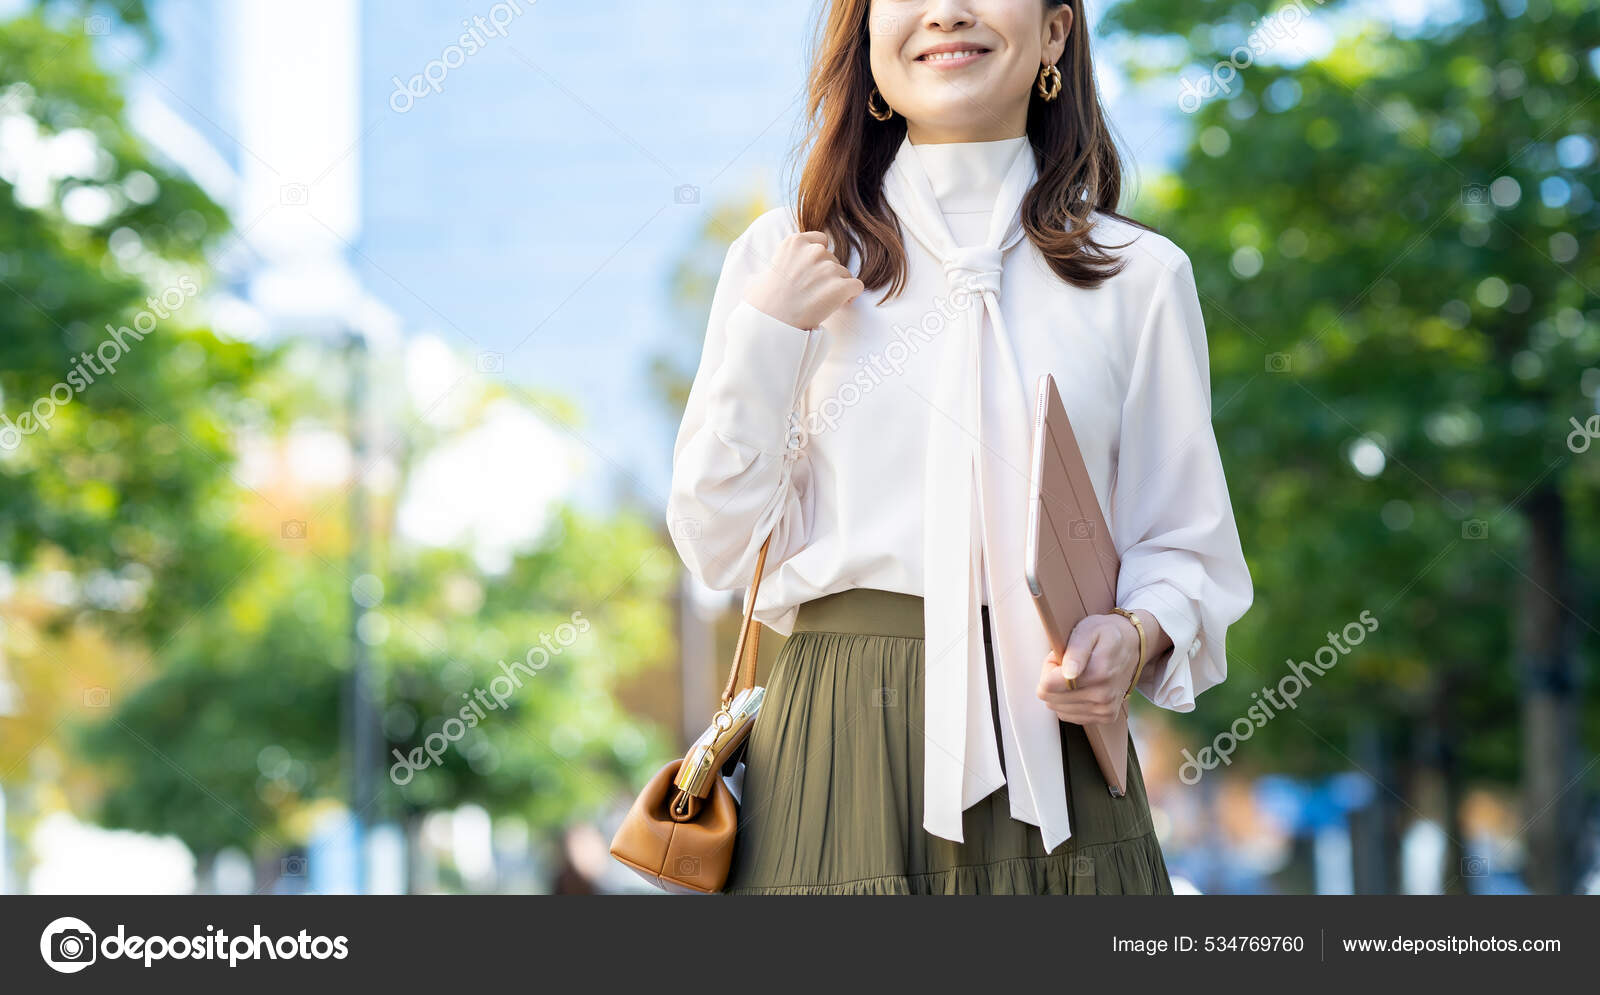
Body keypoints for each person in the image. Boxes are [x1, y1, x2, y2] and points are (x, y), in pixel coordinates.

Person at [666, 0, 1253, 894]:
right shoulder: (788, 256)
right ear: (865, 34)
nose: (945, 10)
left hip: (1058, 751)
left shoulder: (1139, 277)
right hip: (837, 744)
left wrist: (1133, 637)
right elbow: (713, 539)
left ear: (1055, 32)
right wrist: (768, 332)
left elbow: (1187, 543)